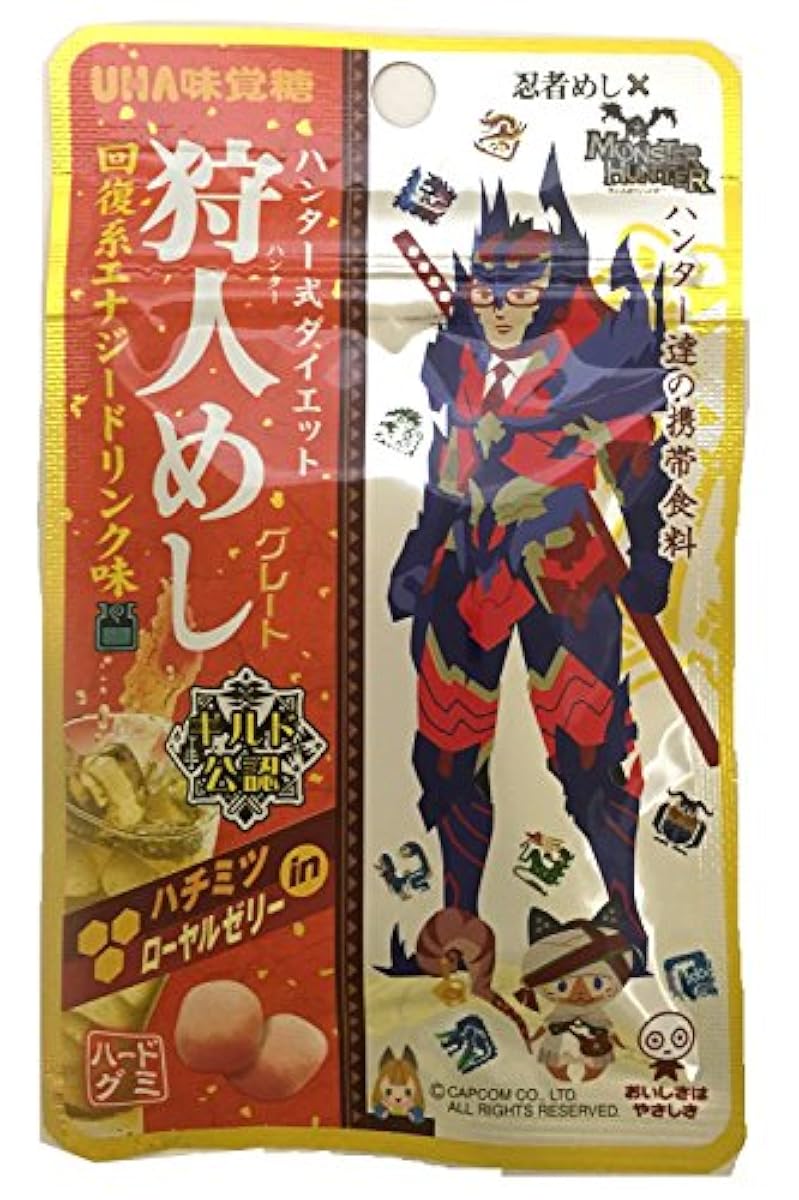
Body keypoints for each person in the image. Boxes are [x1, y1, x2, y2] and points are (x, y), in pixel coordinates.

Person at [389, 149, 672, 970]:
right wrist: (418, 550)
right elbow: (444, 469)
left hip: (565, 570)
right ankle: (458, 916)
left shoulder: (592, 365)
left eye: (522, 288)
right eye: (489, 286)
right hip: (465, 571)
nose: (501, 303)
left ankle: (624, 916)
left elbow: (637, 466)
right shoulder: (453, 359)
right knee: (448, 748)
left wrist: (647, 555)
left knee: (589, 748)